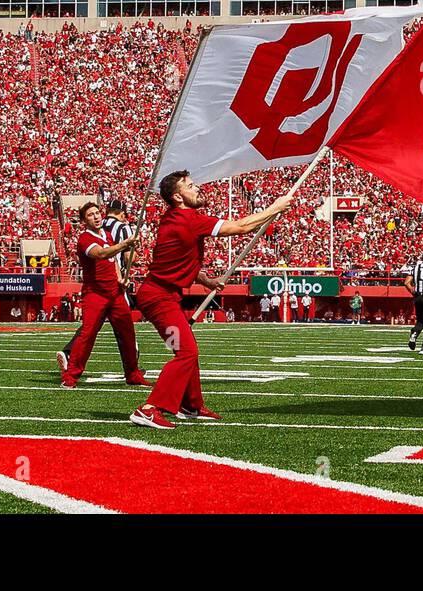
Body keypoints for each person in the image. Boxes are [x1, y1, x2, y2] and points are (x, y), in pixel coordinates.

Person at [129, 170, 292, 429]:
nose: (197, 189)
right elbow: (240, 227)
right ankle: (149, 408)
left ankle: (190, 405)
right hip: (159, 299)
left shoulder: (172, 218)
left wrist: (207, 282)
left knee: (186, 349)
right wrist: (274, 208)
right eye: (190, 186)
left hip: (163, 296)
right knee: (186, 352)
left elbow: (180, 259)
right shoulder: (188, 219)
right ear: (177, 197)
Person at [59, 202, 146, 389]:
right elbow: (101, 254)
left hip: (114, 292)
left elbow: (113, 260)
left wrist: (121, 279)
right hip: (95, 294)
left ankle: (133, 374)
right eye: (91, 215)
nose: (96, 217)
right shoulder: (85, 239)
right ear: (84, 220)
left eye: (98, 213)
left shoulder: (106, 234)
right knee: (88, 334)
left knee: (127, 333)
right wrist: (124, 244)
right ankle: (71, 375)